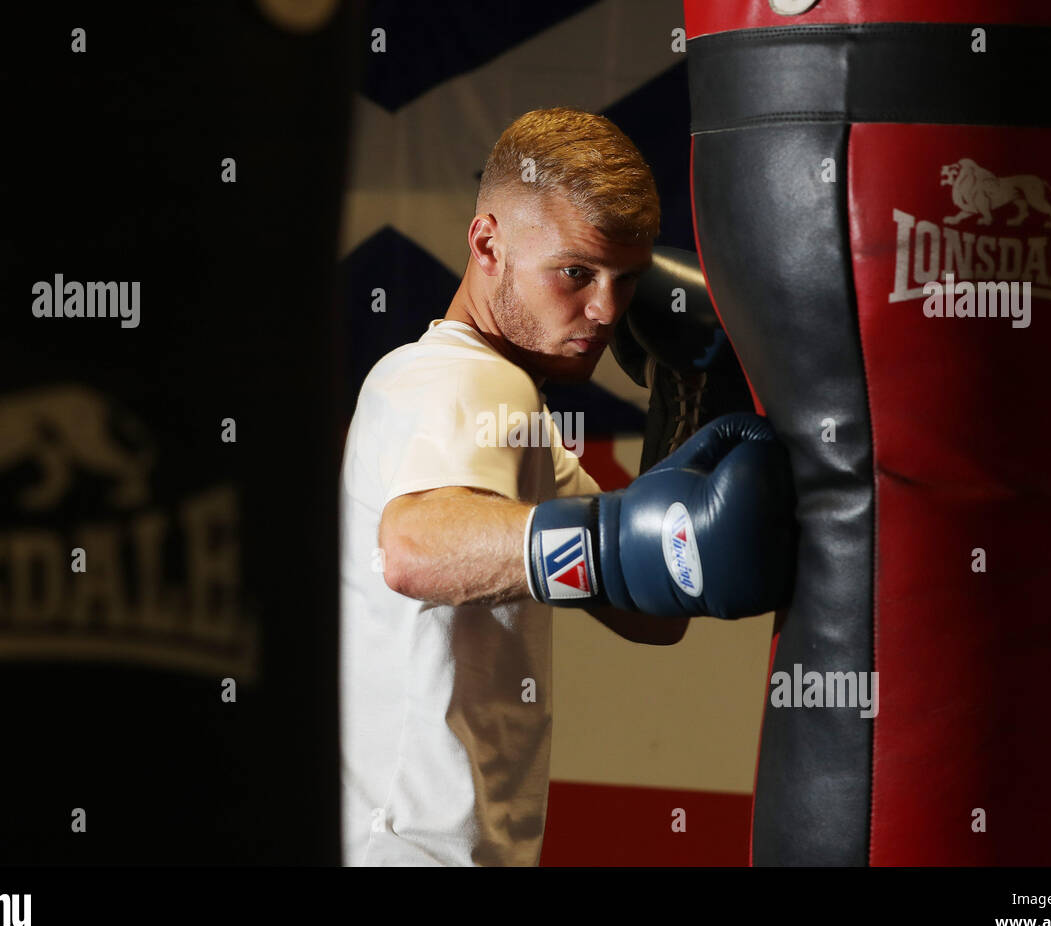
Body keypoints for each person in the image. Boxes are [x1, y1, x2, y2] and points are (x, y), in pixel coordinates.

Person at [339, 107, 791, 866]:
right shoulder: (462, 380)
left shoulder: (505, 408)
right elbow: (412, 548)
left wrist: (683, 418)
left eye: (627, 280)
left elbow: (653, 609)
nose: (607, 311)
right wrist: (619, 539)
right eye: (576, 273)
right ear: (487, 243)